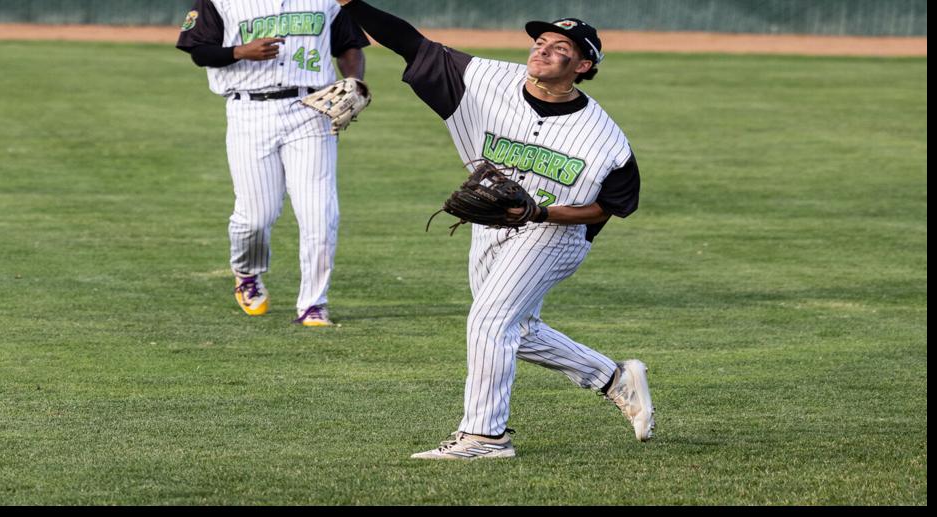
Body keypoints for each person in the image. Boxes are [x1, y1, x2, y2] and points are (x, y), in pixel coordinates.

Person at [335, 1, 652, 459]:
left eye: (559, 48)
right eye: (540, 42)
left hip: (554, 235)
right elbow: (412, 45)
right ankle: (612, 377)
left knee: (489, 321)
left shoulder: (604, 140)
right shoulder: (483, 80)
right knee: (515, 331)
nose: (542, 50)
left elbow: (608, 207)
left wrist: (540, 214)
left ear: (582, 66)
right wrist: (352, 5)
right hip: (489, 221)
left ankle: (485, 437)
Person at [177, 1, 371, 327]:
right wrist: (239, 52)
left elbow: (349, 45)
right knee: (255, 217)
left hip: (312, 110)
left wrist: (353, 80)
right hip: (248, 110)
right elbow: (199, 50)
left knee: (320, 213)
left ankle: (314, 304)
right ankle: (247, 272)